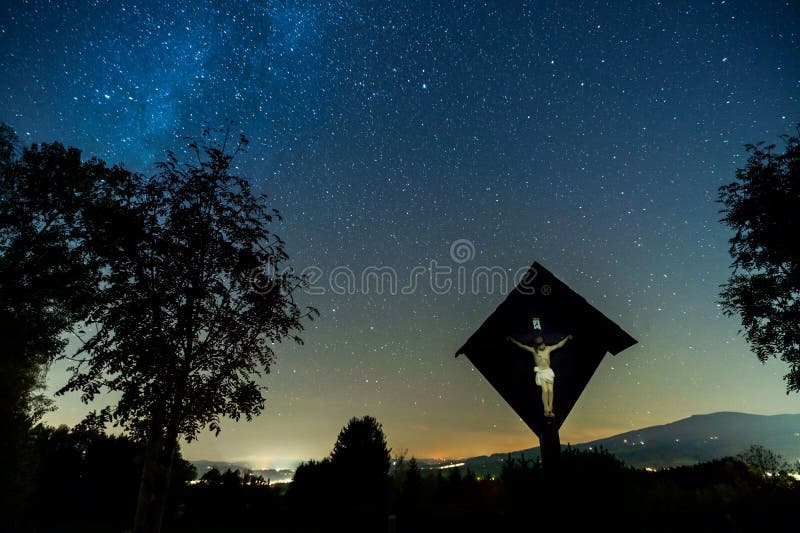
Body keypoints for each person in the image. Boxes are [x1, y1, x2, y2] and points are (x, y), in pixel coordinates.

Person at [506, 331, 573, 418]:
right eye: (540, 345)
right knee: (545, 391)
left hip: (548, 371)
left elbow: (559, 345)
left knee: (551, 391)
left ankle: (550, 410)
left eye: (543, 344)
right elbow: (522, 346)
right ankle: (546, 410)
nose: (543, 346)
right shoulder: (534, 351)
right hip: (541, 372)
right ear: (537, 345)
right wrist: (511, 340)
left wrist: (567, 338)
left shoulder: (548, 348)